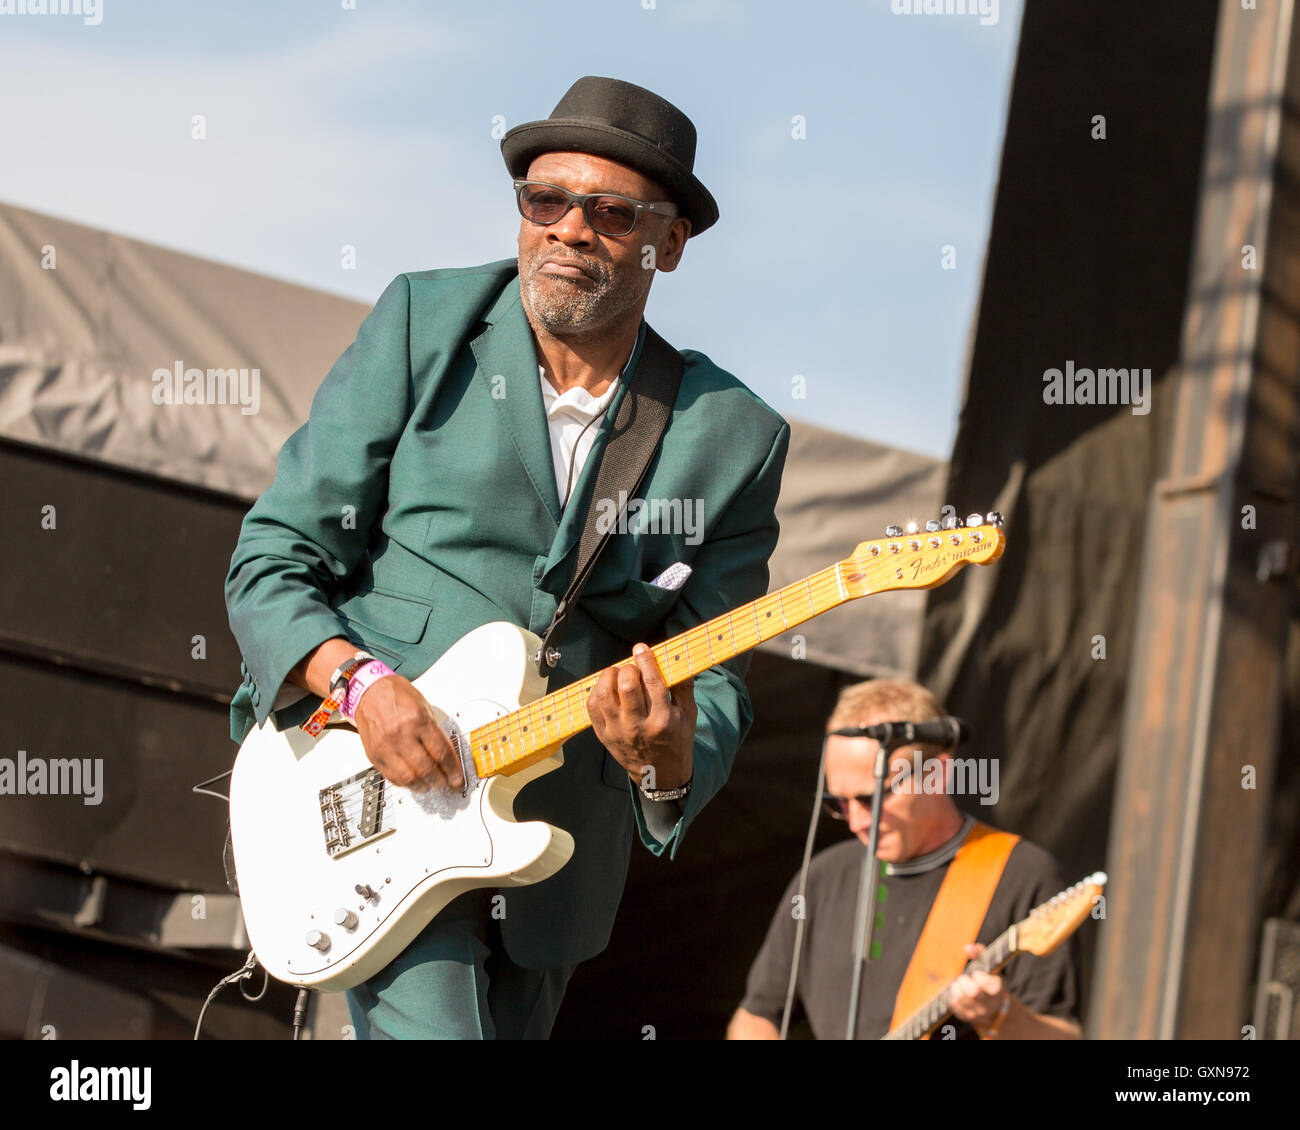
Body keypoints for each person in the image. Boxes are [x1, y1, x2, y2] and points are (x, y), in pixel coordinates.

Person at [224, 76, 789, 1039]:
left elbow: (719, 676)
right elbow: (274, 555)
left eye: (610, 212)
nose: (570, 228)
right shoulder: (424, 322)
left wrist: (663, 758)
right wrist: (362, 687)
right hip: (365, 787)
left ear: (670, 243)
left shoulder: (733, 433)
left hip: (550, 861)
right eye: (544, 200)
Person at [728, 679, 1083, 1040]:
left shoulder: (1022, 875)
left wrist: (1001, 1015)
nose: (857, 822)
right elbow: (755, 1016)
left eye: (871, 799)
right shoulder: (821, 880)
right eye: (840, 804)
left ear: (938, 774)